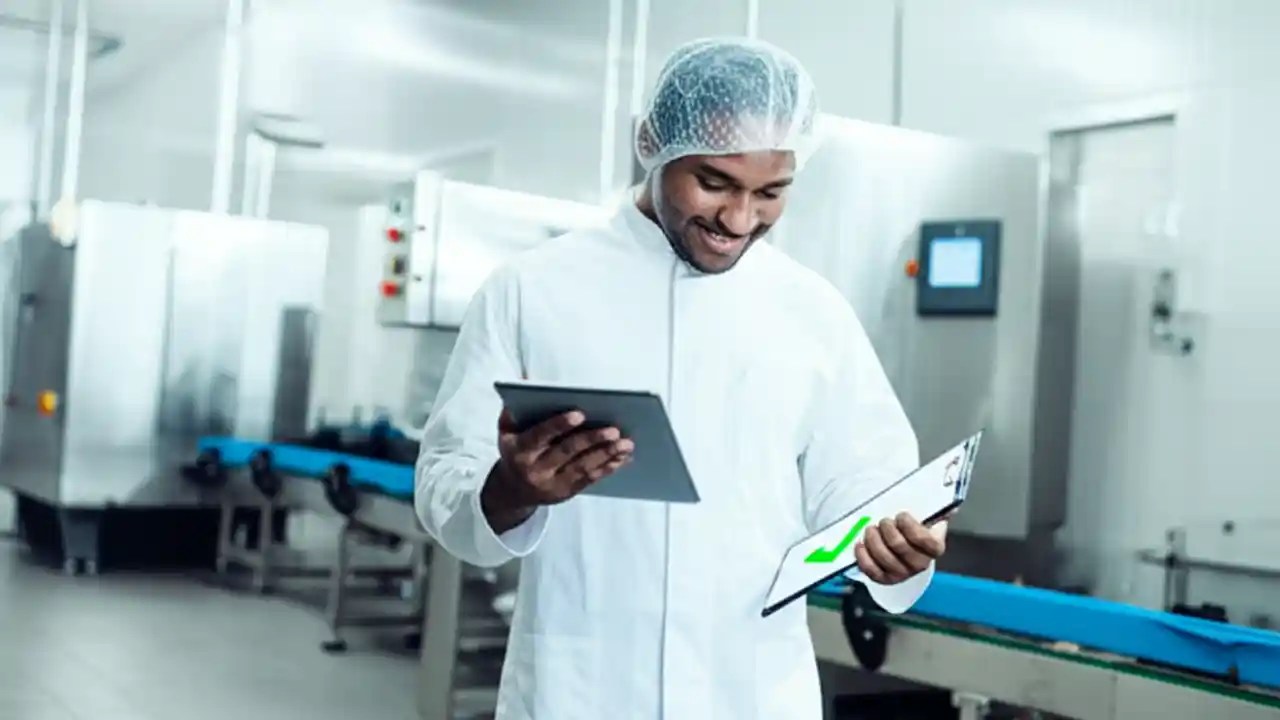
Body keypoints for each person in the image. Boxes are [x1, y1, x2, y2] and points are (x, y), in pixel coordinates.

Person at [416, 37, 949, 720]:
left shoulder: (811, 312)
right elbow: (444, 479)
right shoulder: (533, 291)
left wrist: (896, 542)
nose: (738, 220)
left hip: (751, 695)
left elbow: (865, 485)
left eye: (770, 193)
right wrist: (511, 490)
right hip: (579, 691)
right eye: (714, 183)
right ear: (650, 144)